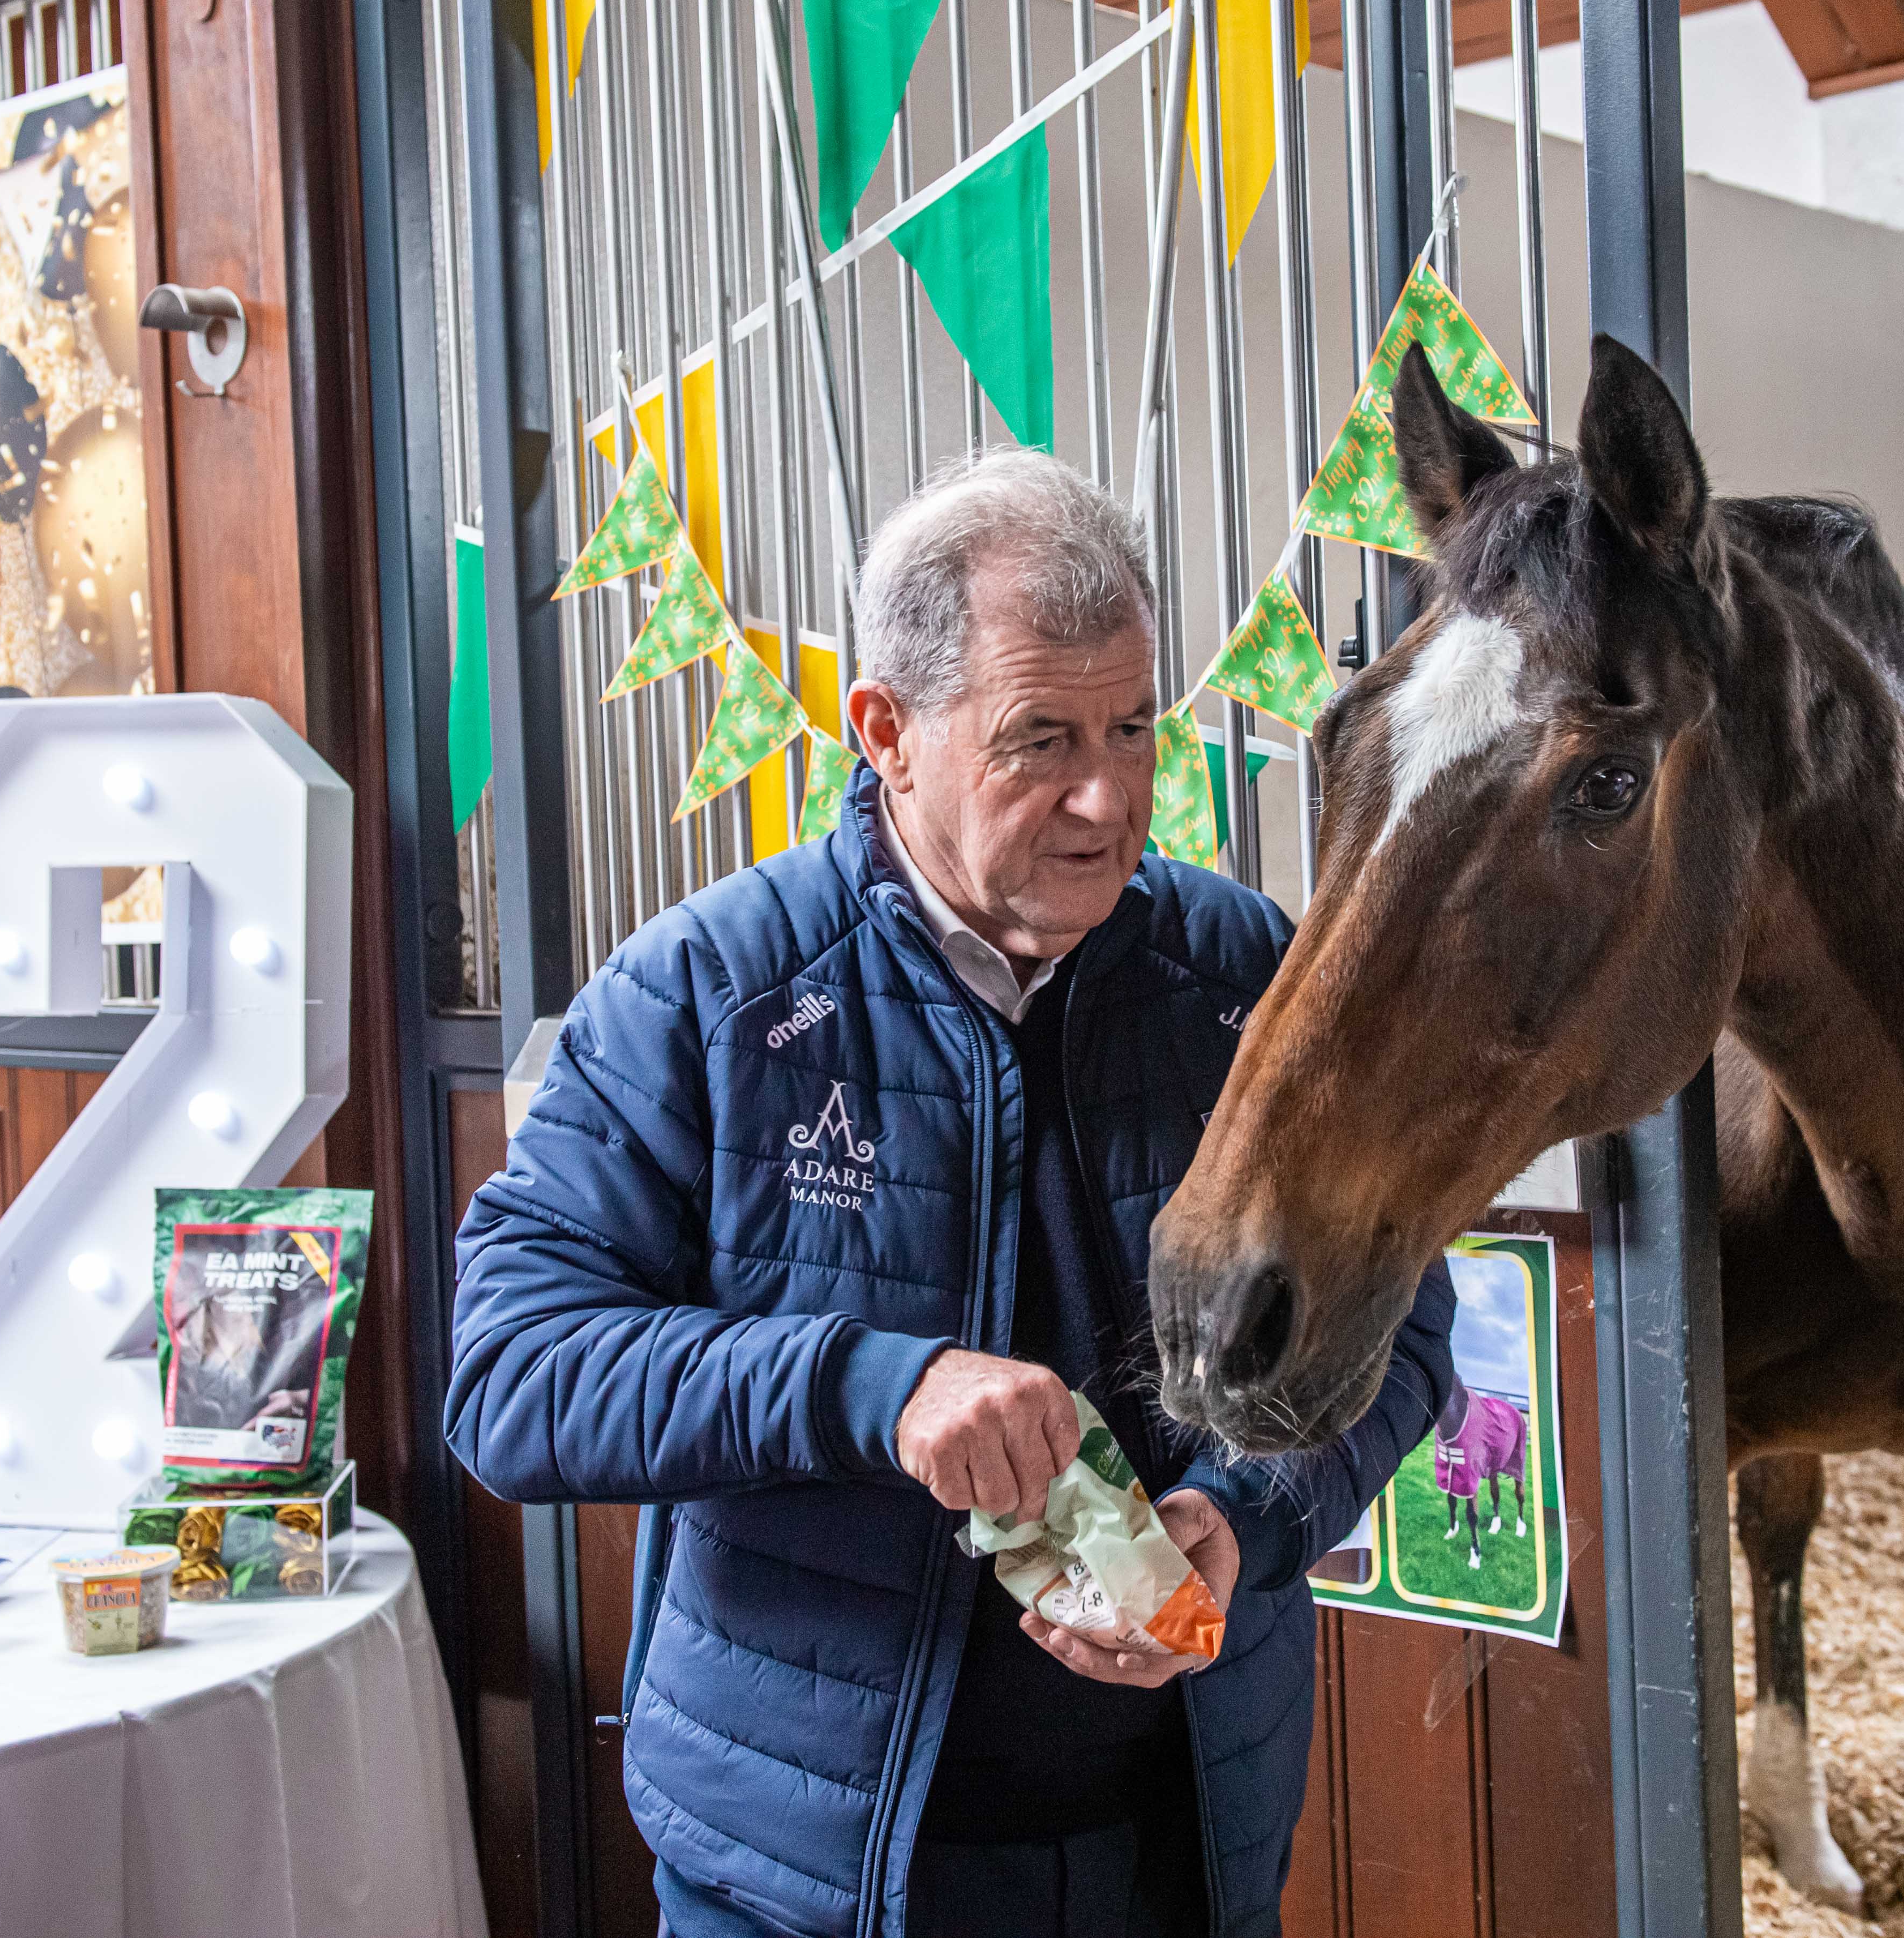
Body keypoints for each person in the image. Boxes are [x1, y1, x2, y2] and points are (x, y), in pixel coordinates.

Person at [448, 450, 1458, 1938]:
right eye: (1039, 739)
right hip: (799, 1883)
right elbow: (510, 1377)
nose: (1109, 796)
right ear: (887, 732)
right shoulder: (711, 994)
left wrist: (1252, 1517)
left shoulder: (1244, 977)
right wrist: (874, 1384)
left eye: (1133, 725)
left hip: (1178, 1858)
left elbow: (1403, 1326)